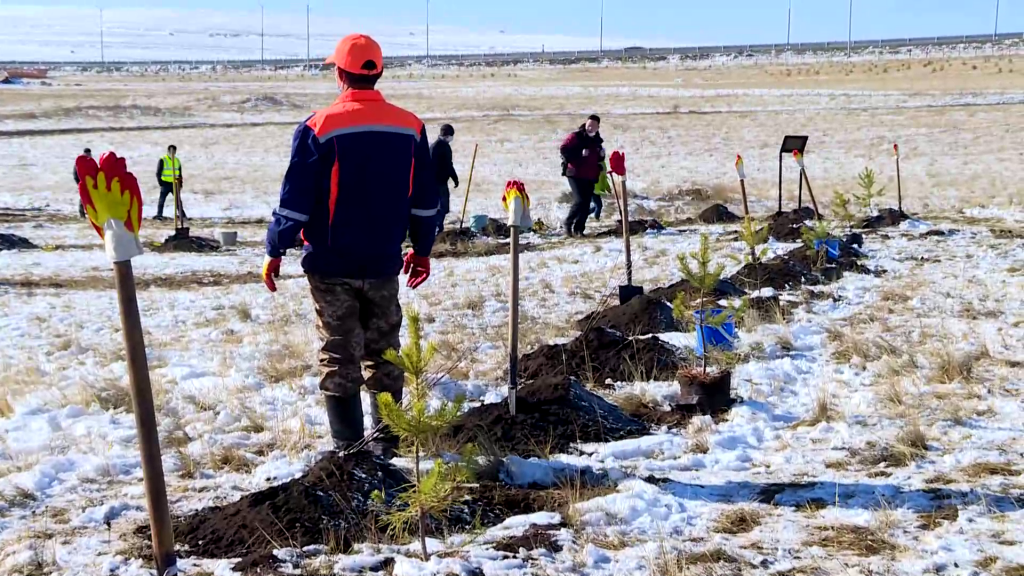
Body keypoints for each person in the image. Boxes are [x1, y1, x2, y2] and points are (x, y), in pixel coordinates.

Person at [261, 33, 438, 458]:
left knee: (340, 352)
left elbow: (296, 202)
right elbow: (426, 199)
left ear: (340, 74)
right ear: (377, 73)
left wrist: (275, 248)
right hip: (382, 262)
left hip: (331, 264)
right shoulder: (409, 126)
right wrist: (424, 248)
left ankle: (348, 452)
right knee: (385, 351)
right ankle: (389, 445)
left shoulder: (318, 127)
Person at [560, 114, 605, 236]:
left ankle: (579, 229)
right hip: (574, 173)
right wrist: (579, 154)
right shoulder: (576, 136)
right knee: (580, 200)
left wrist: (601, 154)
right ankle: (568, 223)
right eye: (588, 125)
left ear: (597, 127)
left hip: (590, 175)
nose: (590, 128)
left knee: (586, 204)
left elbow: (599, 158)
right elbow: (563, 149)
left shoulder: (597, 140)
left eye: (593, 126)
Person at [429, 124, 459, 235]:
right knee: (441, 207)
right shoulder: (439, 147)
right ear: (447, 135)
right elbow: (447, 165)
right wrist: (454, 178)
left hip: (437, 182)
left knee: (440, 207)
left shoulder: (438, 146)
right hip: (438, 182)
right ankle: (437, 229)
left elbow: (447, 165)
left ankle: (437, 228)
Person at [155, 145, 185, 221]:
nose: (173, 153)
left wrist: (180, 183)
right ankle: (159, 215)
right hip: (165, 183)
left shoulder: (177, 161)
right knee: (162, 200)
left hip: (174, 184)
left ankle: (182, 215)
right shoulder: (163, 159)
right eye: (171, 151)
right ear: (168, 151)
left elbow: (179, 173)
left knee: (178, 201)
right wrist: (161, 183)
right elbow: (158, 172)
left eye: (174, 151)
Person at [73, 148, 92, 218]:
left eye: (89, 154)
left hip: (89, 181)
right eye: (87, 154)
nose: (89, 155)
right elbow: (75, 174)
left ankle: (90, 213)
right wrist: (79, 183)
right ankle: (82, 214)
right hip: (81, 181)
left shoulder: (90, 161)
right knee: (82, 196)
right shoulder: (79, 162)